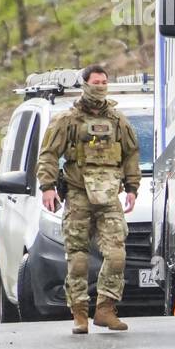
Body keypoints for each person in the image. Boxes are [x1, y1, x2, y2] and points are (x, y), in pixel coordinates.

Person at [35, 64, 140, 334]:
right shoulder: (67, 120)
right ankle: (79, 312)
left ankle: (106, 308)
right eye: (96, 81)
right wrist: (47, 186)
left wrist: (132, 187)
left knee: (116, 255)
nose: (101, 86)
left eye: (105, 81)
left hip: (109, 197)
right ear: (85, 84)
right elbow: (48, 154)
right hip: (78, 194)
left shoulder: (118, 120)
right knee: (78, 258)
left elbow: (130, 154)